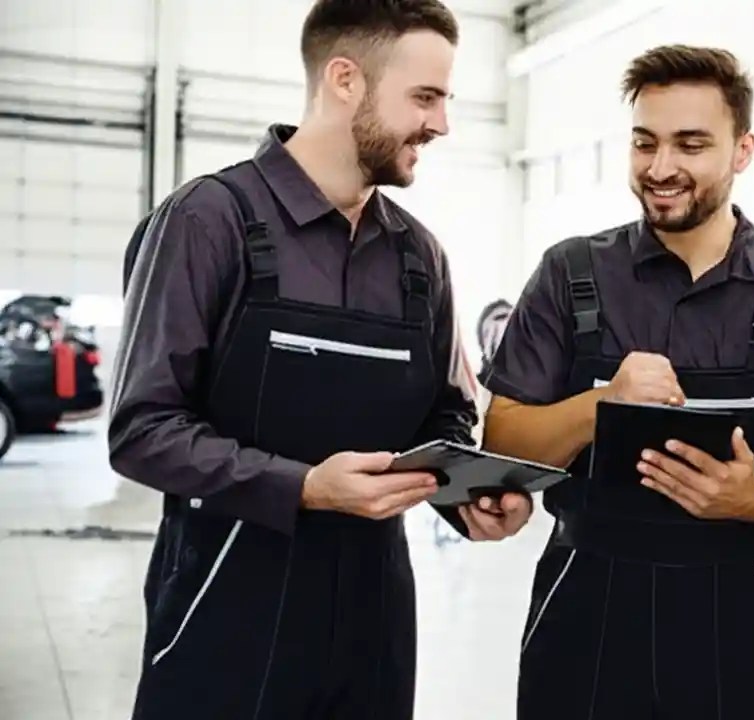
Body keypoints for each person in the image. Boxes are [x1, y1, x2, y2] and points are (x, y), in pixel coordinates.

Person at [108, 2, 532, 718]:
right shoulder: (208, 222)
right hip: (225, 601)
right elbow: (141, 429)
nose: (442, 124)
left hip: (374, 616)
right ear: (345, 80)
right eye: (424, 98)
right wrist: (305, 487)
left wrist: (471, 499)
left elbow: (447, 413)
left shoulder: (419, 256)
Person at [479, 45, 754, 720]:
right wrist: (600, 404)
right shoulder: (569, 274)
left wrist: (750, 498)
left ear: (743, 150)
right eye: (645, 144)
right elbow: (502, 443)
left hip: (744, 617)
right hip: (588, 611)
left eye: (690, 145)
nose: (660, 168)